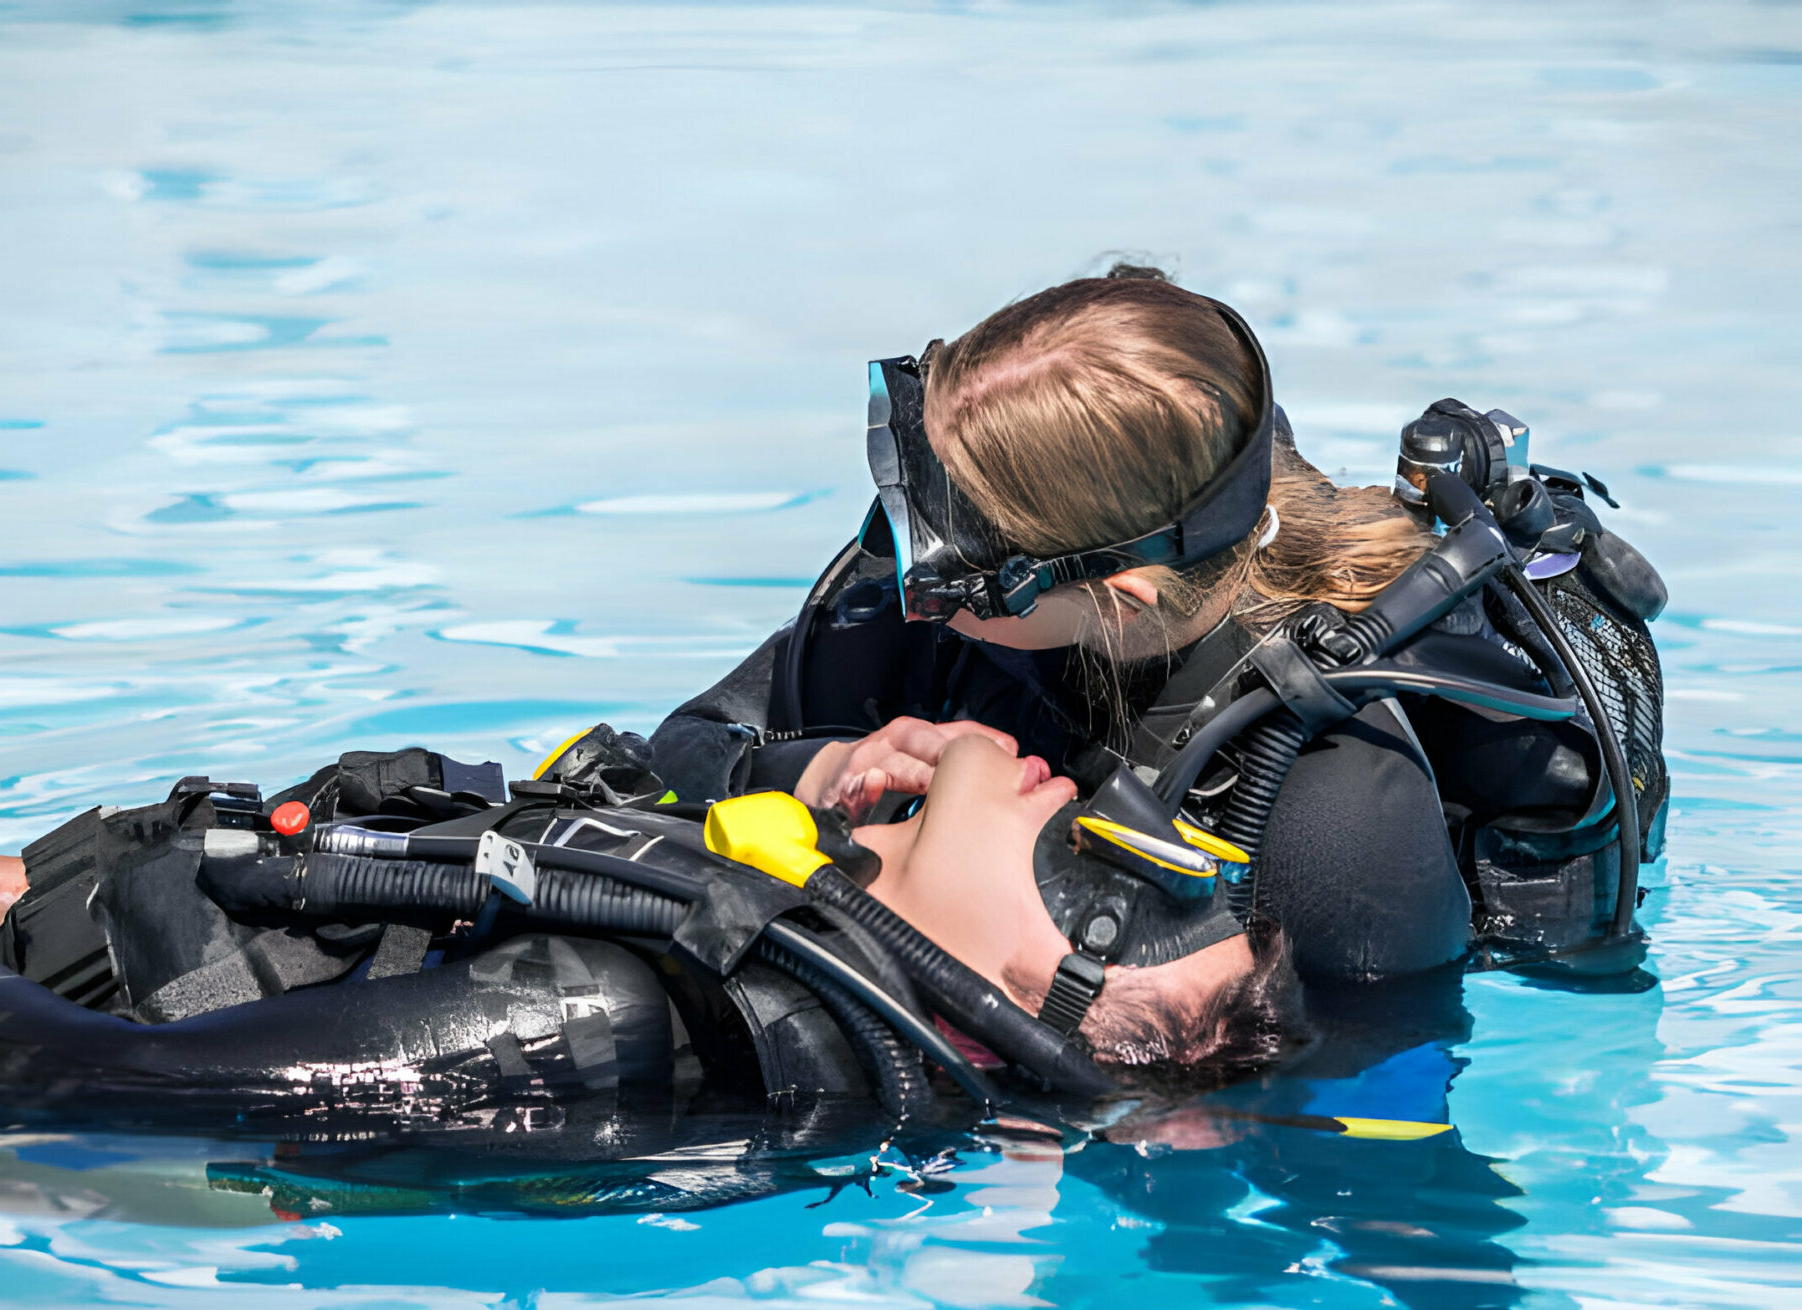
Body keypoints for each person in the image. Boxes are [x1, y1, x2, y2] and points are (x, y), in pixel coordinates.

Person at [649, 266, 1669, 977]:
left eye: (958, 554)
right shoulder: (974, 617)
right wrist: (812, 772)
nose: (914, 571)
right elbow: (674, 755)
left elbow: (1360, 1154)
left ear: (1118, 593)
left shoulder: (1334, 815)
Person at [0, 723, 1305, 1123]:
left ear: (997, 1004)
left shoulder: (595, 1020)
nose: (1126, 825)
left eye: (1128, 901)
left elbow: (59, 1075)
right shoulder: (764, 923)